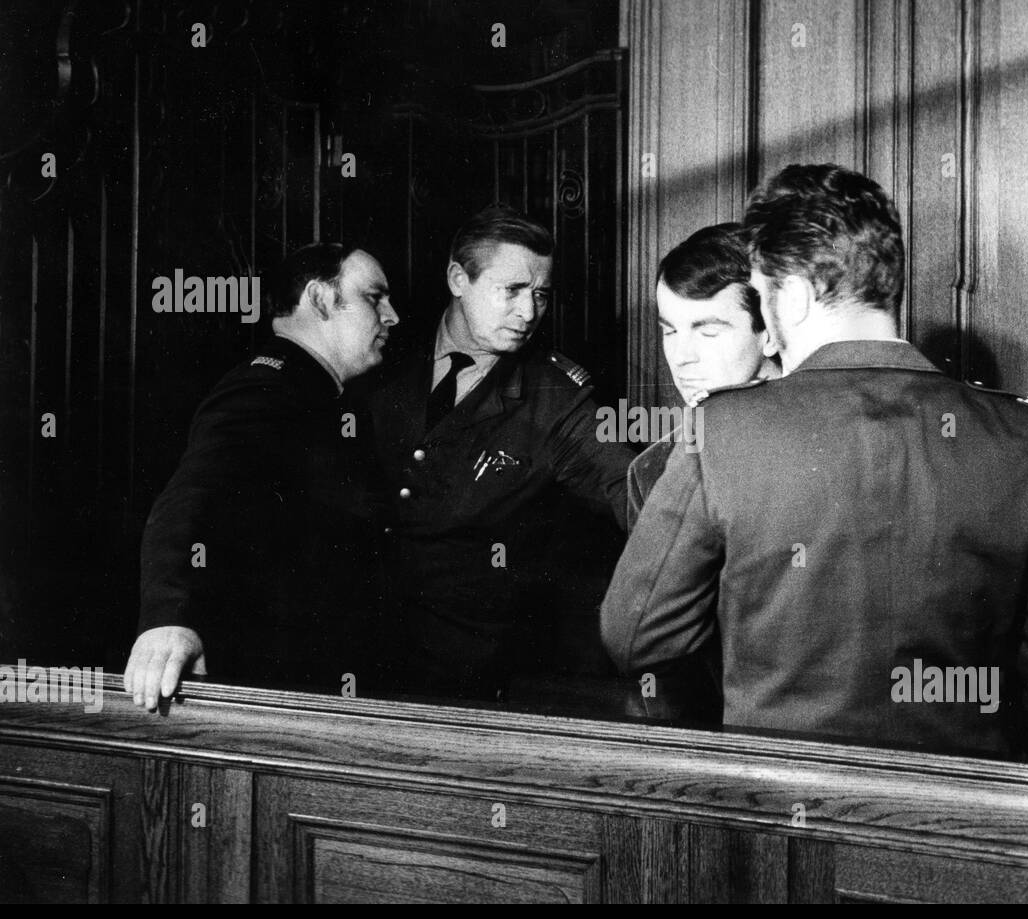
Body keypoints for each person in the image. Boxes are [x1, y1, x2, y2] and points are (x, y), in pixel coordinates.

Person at [601, 164, 1028, 762]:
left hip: (776, 804)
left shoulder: (722, 431)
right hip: (966, 808)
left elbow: (635, 636)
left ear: (789, 295)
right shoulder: (1022, 436)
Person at [364, 205, 635, 701]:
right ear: (457, 278)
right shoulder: (379, 353)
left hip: (467, 675)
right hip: (352, 649)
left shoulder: (557, 398)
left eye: (541, 295)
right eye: (510, 291)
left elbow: (634, 492)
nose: (529, 312)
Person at [125, 245, 399, 710]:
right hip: (272, 689)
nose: (391, 316)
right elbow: (195, 492)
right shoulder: (266, 387)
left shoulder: (322, 393)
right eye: (375, 298)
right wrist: (169, 618)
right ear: (319, 299)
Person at [628, 223, 780, 529]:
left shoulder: (834, 444)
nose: (682, 357)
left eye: (708, 332)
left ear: (771, 333)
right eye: (669, 331)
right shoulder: (651, 472)